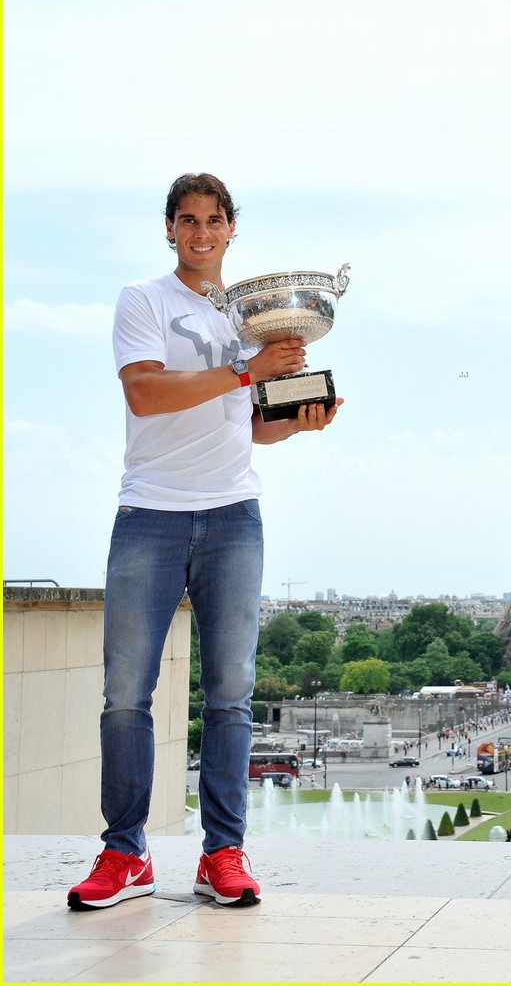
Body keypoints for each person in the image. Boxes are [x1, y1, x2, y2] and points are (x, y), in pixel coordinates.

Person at [67, 174, 343, 912]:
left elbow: (248, 424)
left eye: (213, 220)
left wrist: (296, 420)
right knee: (126, 694)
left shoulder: (249, 317)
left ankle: (222, 852)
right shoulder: (145, 300)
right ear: (168, 228)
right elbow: (145, 394)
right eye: (187, 220)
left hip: (232, 514)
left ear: (230, 231)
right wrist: (248, 368)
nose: (200, 232)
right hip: (150, 514)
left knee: (231, 697)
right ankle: (125, 853)